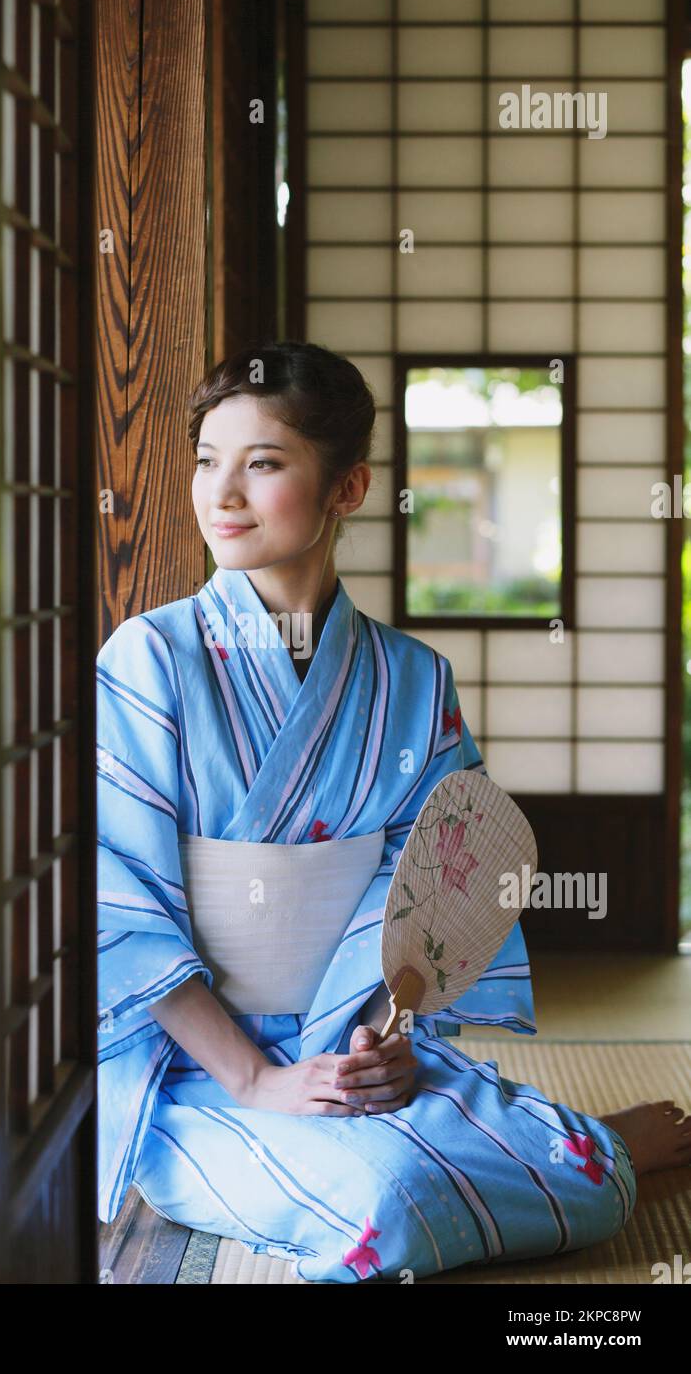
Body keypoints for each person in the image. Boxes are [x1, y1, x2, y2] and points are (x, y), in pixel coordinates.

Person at [97, 341, 690, 1283]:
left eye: (264, 462)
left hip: (345, 1041)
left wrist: (387, 1043)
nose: (224, 492)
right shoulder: (149, 660)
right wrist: (258, 1079)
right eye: (208, 459)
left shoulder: (412, 682)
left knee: (579, 1178)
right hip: (195, 1072)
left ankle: (575, 1138)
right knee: (385, 1206)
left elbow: (447, 879)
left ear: (349, 488)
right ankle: (579, 1132)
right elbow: (112, 897)